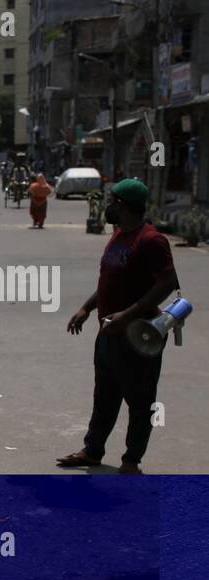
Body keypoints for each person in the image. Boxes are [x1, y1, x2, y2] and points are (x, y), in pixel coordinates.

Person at [57, 179, 180, 475]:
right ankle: (93, 449)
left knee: (140, 401)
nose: (108, 206)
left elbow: (167, 284)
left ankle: (131, 461)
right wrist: (87, 308)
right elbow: (110, 280)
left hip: (138, 336)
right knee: (105, 396)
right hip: (109, 333)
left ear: (122, 206)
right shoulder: (118, 236)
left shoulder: (151, 240)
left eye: (111, 201)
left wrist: (126, 315)